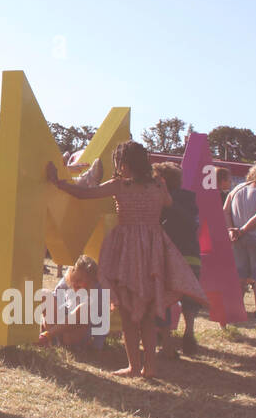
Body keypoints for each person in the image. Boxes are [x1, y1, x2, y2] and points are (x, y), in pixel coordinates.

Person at [46, 141, 206, 378]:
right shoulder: (158, 185)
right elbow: (168, 203)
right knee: (149, 315)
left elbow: (83, 194)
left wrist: (57, 182)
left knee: (130, 314)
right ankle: (149, 367)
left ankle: (133, 366)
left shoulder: (119, 186)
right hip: (153, 248)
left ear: (124, 164)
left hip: (127, 250)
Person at [155, 162, 201, 356]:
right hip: (192, 253)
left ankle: (165, 341)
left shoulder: (163, 200)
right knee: (189, 298)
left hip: (170, 255)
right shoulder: (190, 200)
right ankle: (189, 330)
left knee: (163, 297)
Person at [225, 162, 256, 317]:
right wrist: (243, 230)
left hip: (236, 238)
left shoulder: (237, 188)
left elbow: (225, 211)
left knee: (240, 274)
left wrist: (232, 230)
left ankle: (235, 308)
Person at [39, 255, 100, 348]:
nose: (75, 283)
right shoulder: (66, 286)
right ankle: (49, 339)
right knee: (44, 294)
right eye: (73, 280)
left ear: (90, 280)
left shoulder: (93, 293)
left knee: (85, 307)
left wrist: (98, 343)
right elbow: (54, 299)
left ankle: (48, 336)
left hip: (74, 335)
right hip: (59, 328)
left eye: (79, 281)